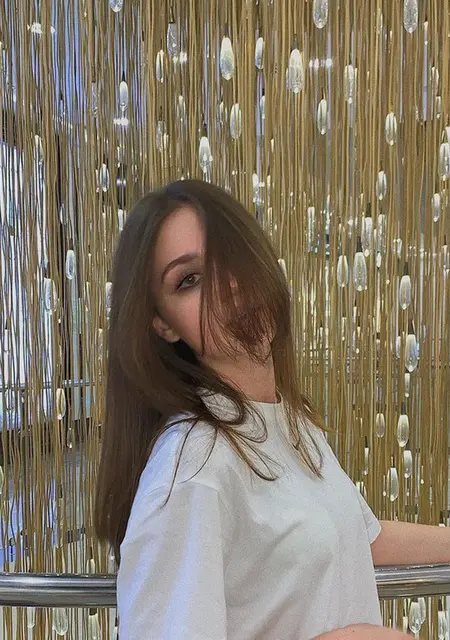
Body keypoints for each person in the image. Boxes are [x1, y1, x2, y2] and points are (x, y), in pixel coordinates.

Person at [95, 180, 448, 639]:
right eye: (190, 280)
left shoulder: (288, 421)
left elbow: (361, 535)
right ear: (163, 324)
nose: (229, 287)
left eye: (232, 256)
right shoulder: (191, 467)